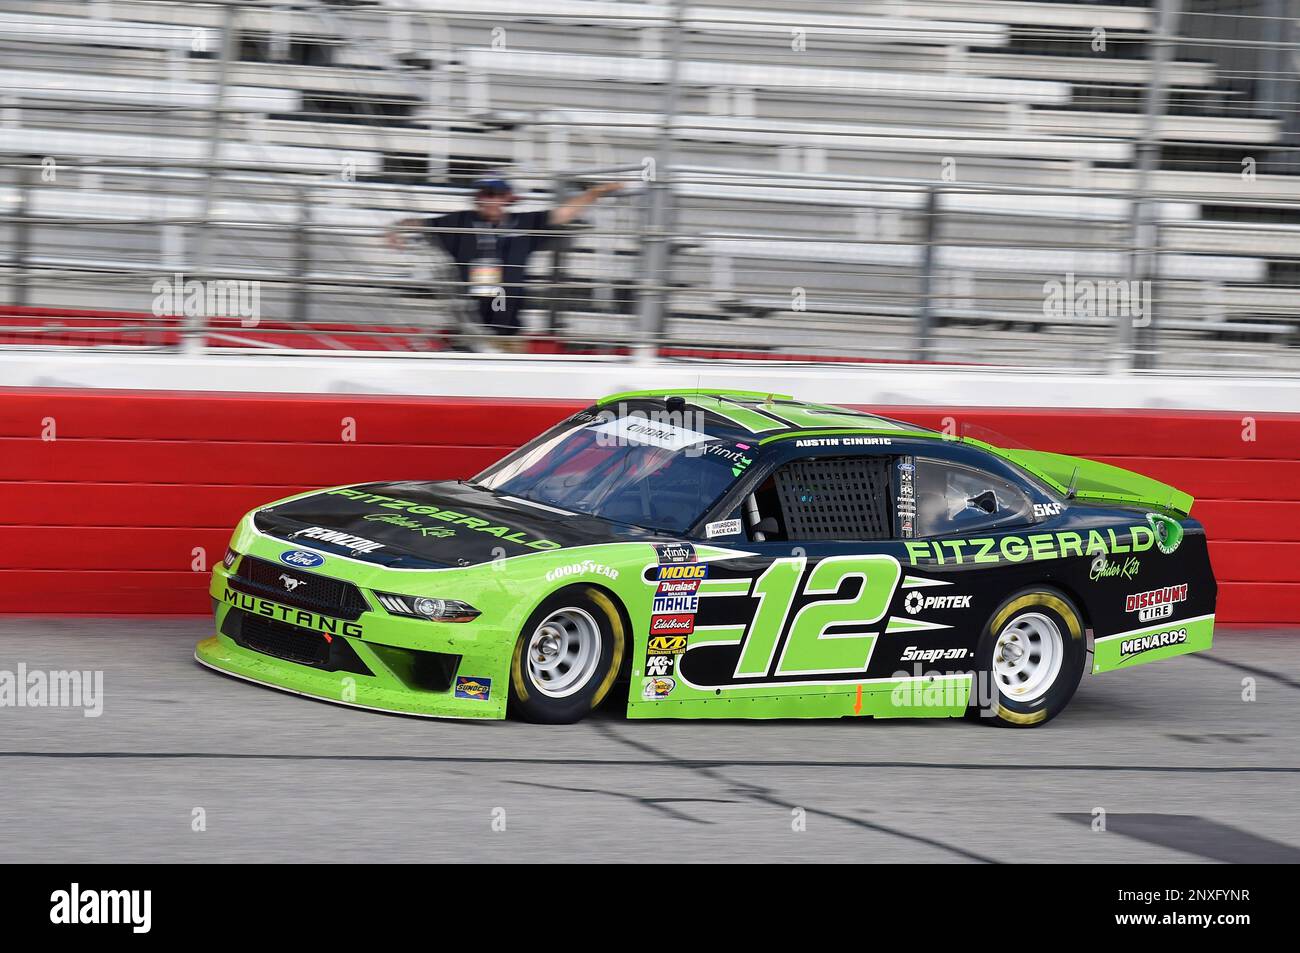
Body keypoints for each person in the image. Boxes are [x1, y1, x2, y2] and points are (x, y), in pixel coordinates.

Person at [387, 176, 621, 350]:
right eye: (484, 194)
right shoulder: (459, 220)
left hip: (508, 329)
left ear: (508, 198)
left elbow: (564, 214)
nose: (489, 199)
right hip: (468, 326)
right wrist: (395, 228)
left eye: (495, 194)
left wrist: (595, 193)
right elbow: (416, 224)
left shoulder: (525, 222)